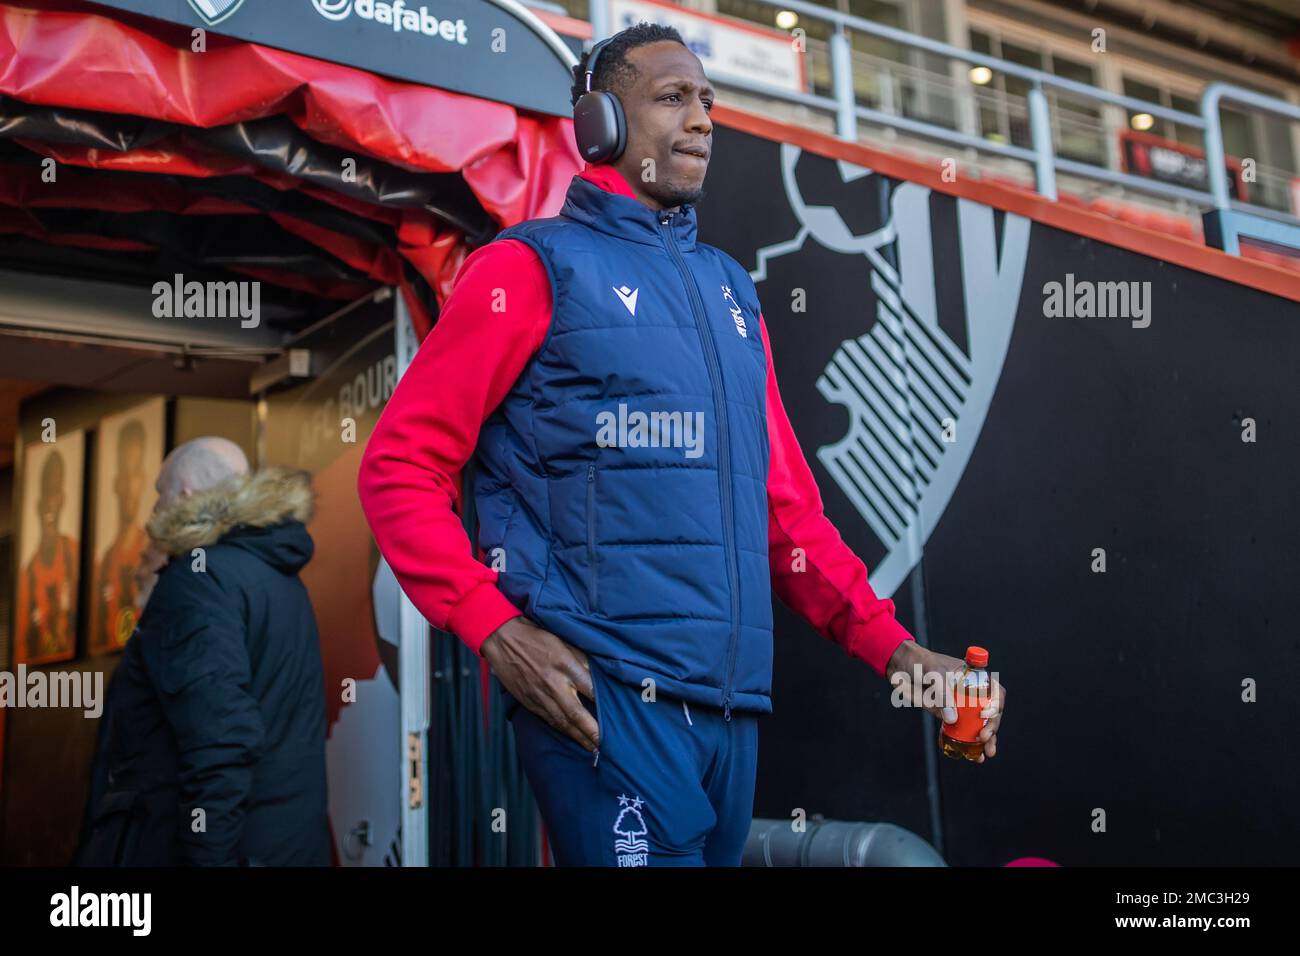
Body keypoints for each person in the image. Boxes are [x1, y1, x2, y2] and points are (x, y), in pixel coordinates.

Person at [358, 23, 1005, 867]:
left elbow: (787, 520)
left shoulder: (731, 290)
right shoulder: (526, 269)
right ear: (600, 126)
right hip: (606, 702)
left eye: (706, 100)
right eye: (672, 98)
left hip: (730, 717)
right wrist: (494, 629)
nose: (701, 118)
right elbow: (399, 467)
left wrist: (905, 658)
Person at [75, 437, 330, 866]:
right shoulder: (277, 577)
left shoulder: (200, 580)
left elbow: (221, 744)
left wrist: (209, 859)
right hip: (286, 846)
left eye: (159, 493)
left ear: (186, 495)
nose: (152, 512)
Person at [16, 448, 78, 664]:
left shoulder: (77, 556)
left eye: (56, 493)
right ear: (38, 504)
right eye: (46, 493)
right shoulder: (26, 579)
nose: (51, 503)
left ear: (62, 499)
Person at [92, 418, 149, 652]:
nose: (129, 486)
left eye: (135, 472)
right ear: (116, 484)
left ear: (144, 480)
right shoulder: (103, 564)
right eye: (124, 475)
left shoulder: (155, 556)